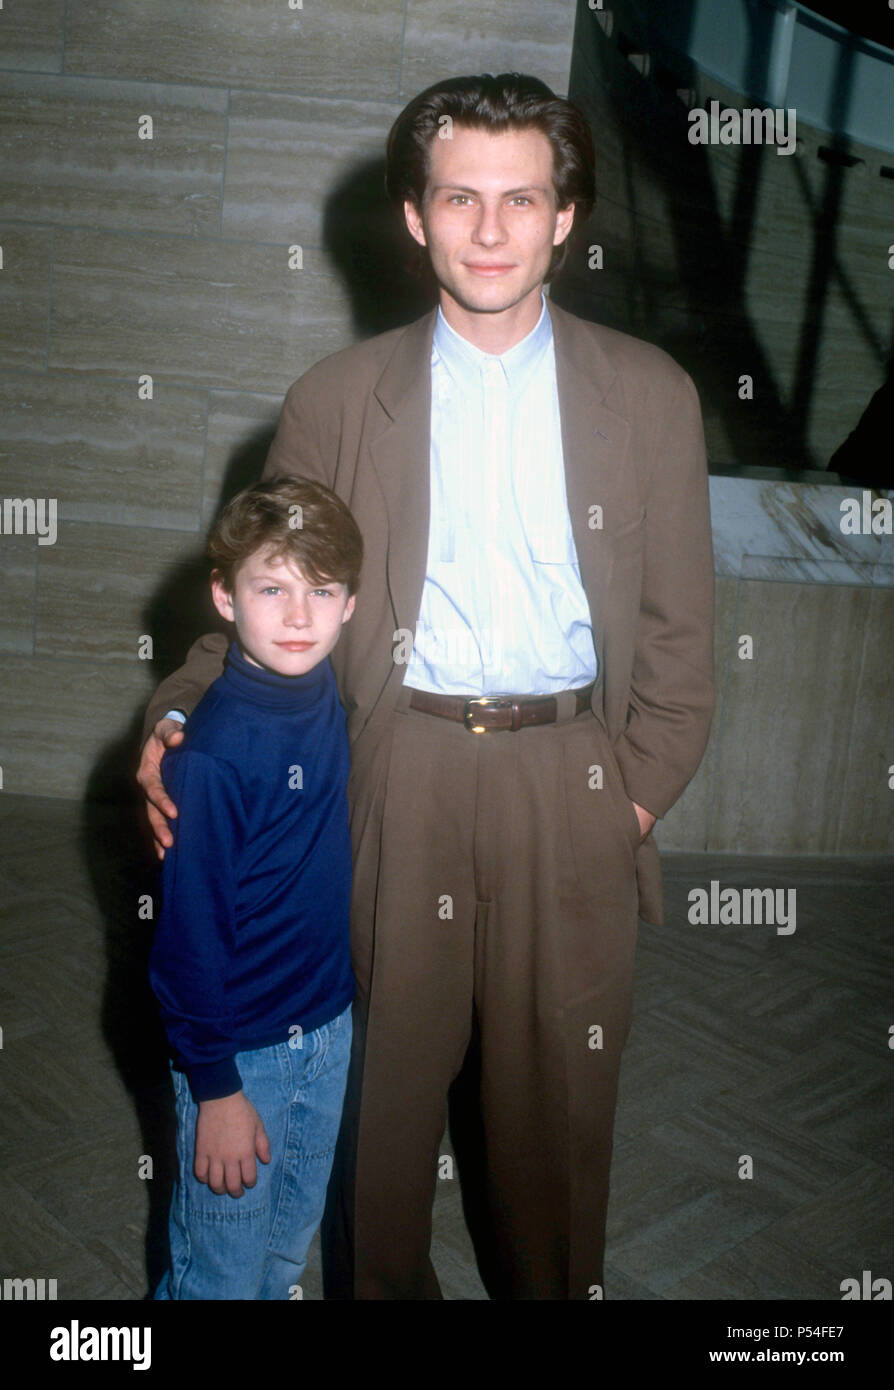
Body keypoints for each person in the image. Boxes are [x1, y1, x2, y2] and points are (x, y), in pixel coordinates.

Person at [138, 73, 715, 1300]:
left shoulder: (651, 397)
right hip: (391, 775)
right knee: (376, 1132)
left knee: (555, 1125)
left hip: (575, 776)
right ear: (415, 215)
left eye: (523, 199)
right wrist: (181, 714)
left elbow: (679, 642)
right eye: (462, 197)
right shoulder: (338, 402)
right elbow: (259, 601)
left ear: (567, 217)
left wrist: (626, 806)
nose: (492, 229)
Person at [148, 475, 362, 1299]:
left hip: (328, 1031)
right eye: (272, 588)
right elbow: (186, 943)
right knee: (219, 1280)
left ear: (350, 605)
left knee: (281, 1262)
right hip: (243, 1055)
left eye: (322, 590)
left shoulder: (328, 701)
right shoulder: (212, 754)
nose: (300, 616)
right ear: (224, 597)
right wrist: (216, 1087)